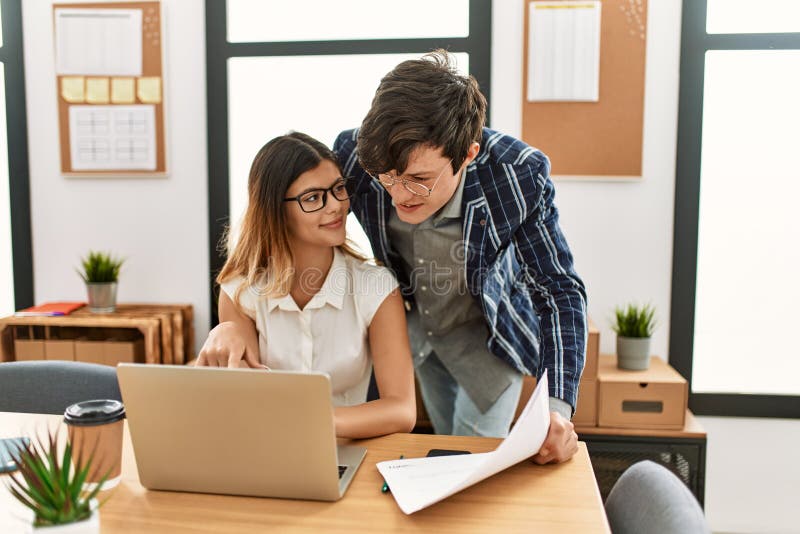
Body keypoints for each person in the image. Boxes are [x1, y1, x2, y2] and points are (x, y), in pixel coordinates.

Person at [334, 50, 587, 463]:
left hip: (488, 339)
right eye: (387, 178)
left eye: (418, 179)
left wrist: (557, 409)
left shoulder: (516, 174)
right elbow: (302, 224)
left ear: (467, 154)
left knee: (469, 464)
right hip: (420, 332)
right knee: (441, 448)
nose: (398, 195)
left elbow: (559, 291)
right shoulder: (355, 154)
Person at [197, 132, 416, 439]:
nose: (336, 206)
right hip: (266, 447)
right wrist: (225, 331)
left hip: (346, 451)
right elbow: (246, 399)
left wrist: (315, 422)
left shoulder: (376, 288)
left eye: (338, 189)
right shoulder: (240, 291)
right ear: (276, 210)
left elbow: (402, 410)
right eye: (313, 198)